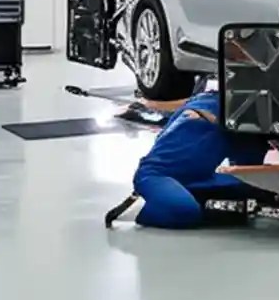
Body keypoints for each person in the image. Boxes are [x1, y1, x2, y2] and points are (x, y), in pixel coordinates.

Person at [107, 90, 270, 229]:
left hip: (200, 177)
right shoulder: (213, 111)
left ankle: (180, 197)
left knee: (255, 188)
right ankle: (151, 210)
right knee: (184, 211)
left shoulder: (238, 117)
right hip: (157, 175)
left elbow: (248, 170)